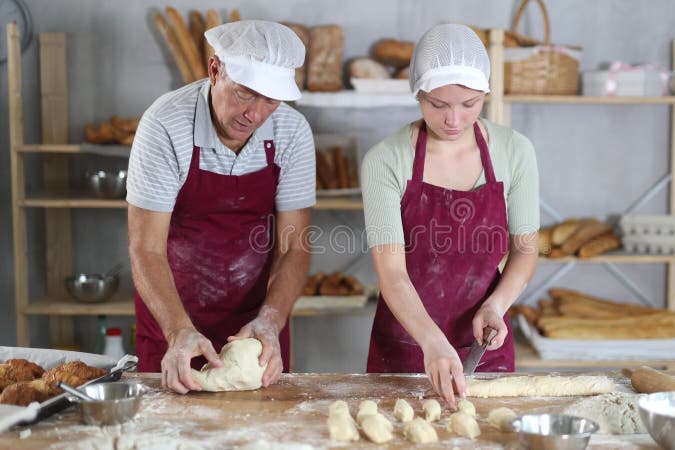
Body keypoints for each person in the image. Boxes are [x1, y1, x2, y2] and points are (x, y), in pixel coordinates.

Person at [127, 20, 315, 394]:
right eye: (246, 94)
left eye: (271, 99)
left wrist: (271, 321)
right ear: (215, 70)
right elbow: (145, 248)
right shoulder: (165, 125)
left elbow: (294, 246)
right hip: (172, 319)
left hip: (257, 331)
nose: (256, 114)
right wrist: (179, 330)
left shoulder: (292, 132)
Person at [361, 24, 540, 408]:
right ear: (417, 94)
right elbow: (392, 274)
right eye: (438, 105)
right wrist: (431, 340)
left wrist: (497, 306)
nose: (454, 120)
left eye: (470, 104)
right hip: (407, 349)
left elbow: (525, 249)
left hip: (484, 349)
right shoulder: (386, 160)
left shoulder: (515, 151)